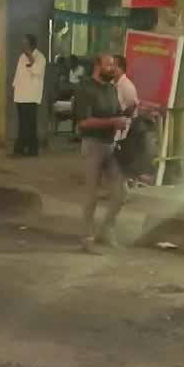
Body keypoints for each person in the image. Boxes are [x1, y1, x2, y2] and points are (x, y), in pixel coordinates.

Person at [73, 53, 128, 250]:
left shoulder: (111, 89)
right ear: (97, 66)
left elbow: (118, 113)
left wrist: (135, 115)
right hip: (92, 144)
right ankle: (86, 239)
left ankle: (106, 230)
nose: (113, 68)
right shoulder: (85, 88)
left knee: (121, 192)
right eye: (109, 65)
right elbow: (83, 122)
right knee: (91, 194)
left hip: (110, 145)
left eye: (113, 65)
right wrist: (113, 122)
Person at [11, 33, 46, 155]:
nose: (23, 45)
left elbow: (36, 71)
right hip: (20, 95)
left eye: (25, 43)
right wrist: (14, 86)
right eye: (22, 43)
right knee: (22, 124)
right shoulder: (21, 57)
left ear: (31, 44)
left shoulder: (40, 57)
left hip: (31, 96)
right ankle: (21, 149)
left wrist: (31, 57)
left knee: (30, 124)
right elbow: (18, 73)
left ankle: (31, 149)